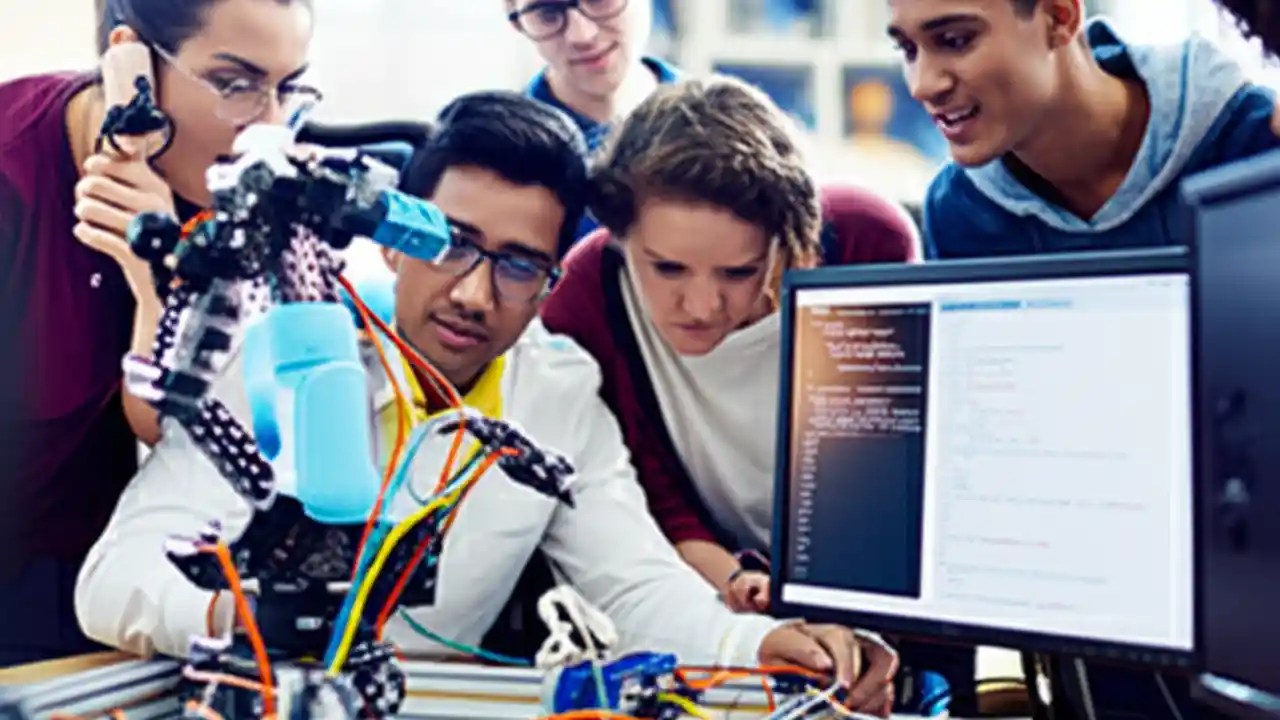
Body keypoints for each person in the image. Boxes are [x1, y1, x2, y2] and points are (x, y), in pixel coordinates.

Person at [74, 91, 900, 714]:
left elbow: (634, 584)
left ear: (551, 281)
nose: (472, 293)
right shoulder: (286, 351)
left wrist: (755, 644)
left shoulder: (558, 392)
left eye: (516, 264)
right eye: (451, 243)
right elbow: (112, 581)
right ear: (394, 240)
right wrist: (268, 624)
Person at [538, 75, 984, 715]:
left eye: (739, 272)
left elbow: (887, 486)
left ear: (784, 238)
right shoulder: (586, 292)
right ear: (618, 234)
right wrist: (741, 589)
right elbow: (646, 503)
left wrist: (844, 624)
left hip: (887, 605)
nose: (700, 305)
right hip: (704, 605)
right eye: (665, 268)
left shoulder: (861, 241)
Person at [0, 0, 316, 667]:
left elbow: (173, 433)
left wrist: (159, 283)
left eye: (287, 89)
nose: (269, 124)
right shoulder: (13, 174)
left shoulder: (227, 202)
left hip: (68, 579)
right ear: (130, 62)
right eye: (235, 84)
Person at [893, 0, 1280, 258]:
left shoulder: (1254, 146)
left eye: (955, 40)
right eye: (909, 50)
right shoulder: (957, 209)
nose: (922, 85)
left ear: (1060, 18)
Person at [507, 0, 678, 238]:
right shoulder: (497, 159)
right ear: (517, 21)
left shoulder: (722, 125)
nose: (582, 35)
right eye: (548, 14)